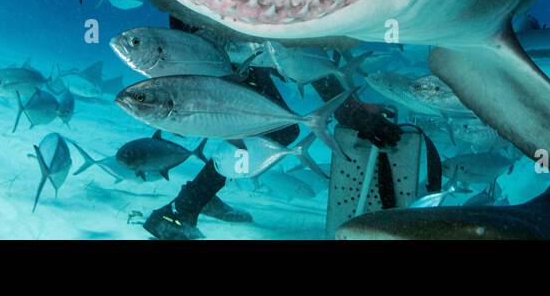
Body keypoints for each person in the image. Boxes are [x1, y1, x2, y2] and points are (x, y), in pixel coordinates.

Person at [143, 15, 402, 240]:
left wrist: (350, 109)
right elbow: (294, 41)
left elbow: (297, 51)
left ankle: (196, 199)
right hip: (218, 40)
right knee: (277, 128)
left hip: (246, 41)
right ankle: (181, 209)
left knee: (279, 127)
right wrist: (350, 111)